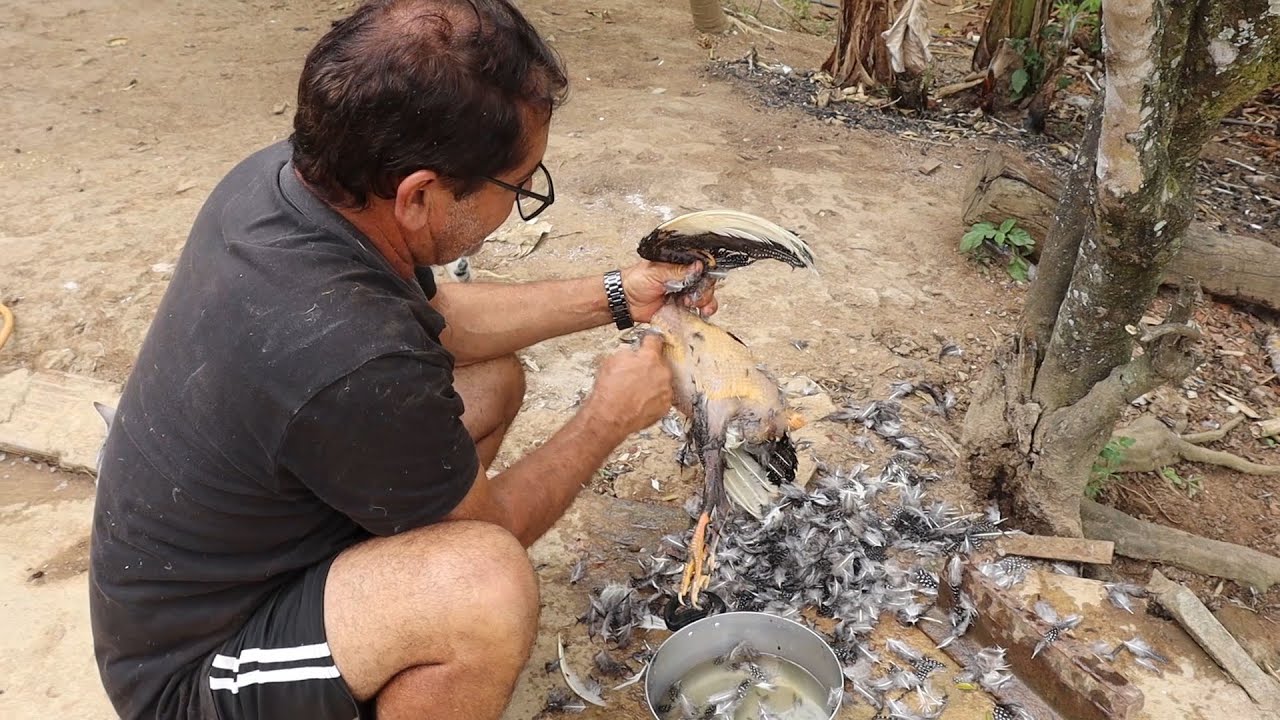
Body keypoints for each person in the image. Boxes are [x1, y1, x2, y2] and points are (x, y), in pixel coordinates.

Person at [87, 1, 718, 718]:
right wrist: (605, 419)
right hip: (195, 674)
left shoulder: (294, 183)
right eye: (519, 187)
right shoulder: (348, 356)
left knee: (489, 377)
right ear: (418, 195)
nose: (518, 205)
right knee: (485, 586)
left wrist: (618, 296)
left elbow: (436, 322)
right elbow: (493, 535)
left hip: (237, 562)